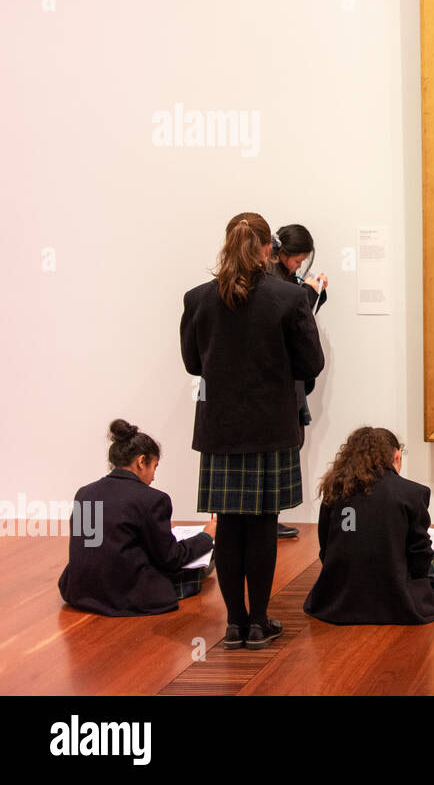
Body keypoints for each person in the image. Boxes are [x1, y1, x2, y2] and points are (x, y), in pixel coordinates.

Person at [181, 212, 325, 650]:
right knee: (263, 526)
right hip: (270, 428)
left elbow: (193, 363)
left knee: (228, 526)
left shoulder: (198, 298)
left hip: (220, 429)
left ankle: (234, 624)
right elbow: (311, 364)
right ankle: (259, 622)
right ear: (268, 248)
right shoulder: (288, 298)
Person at [58, 420, 217, 616]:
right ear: (142, 461)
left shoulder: (84, 493)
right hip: (124, 595)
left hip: (79, 591)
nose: (154, 477)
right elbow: (171, 559)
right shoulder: (153, 499)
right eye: (155, 467)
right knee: (207, 560)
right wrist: (206, 537)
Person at [303, 427, 434, 625]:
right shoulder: (411, 493)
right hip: (394, 597)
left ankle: (429, 584)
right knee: (425, 548)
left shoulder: (335, 489)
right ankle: (433, 585)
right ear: (396, 456)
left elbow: (325, 547)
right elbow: (419, 554)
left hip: (338, 600)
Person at [266, 224, 329, 540]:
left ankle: (270, 517)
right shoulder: (273, 284)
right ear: (282, 254)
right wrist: (309, 291)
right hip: (281, 381)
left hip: (289, 381)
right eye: (297, 260)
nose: (299, 267)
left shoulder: (282, 280)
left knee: (290, 444)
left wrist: (312, 291)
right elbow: (289, 315)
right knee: (280, 448)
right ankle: (267, 518)